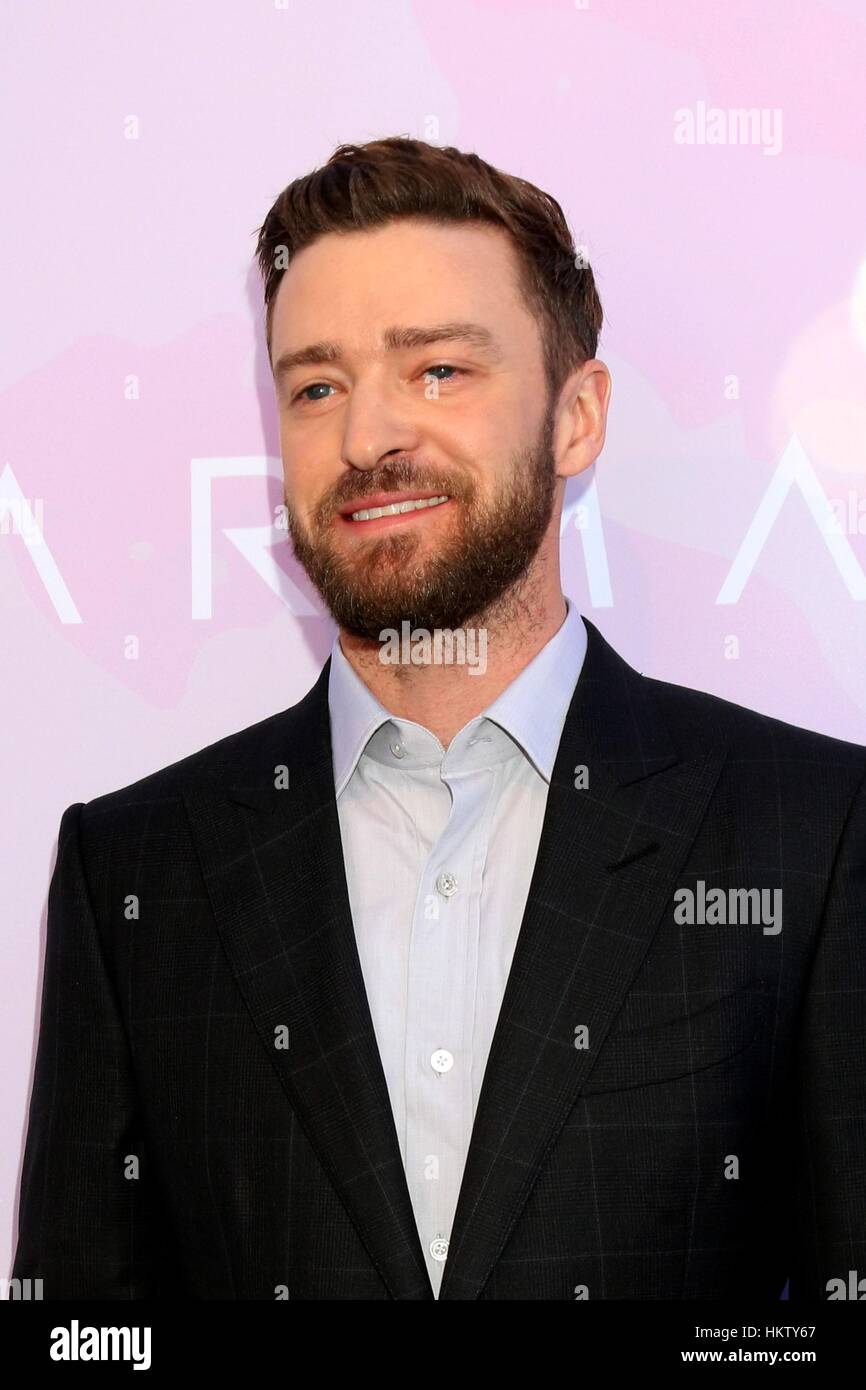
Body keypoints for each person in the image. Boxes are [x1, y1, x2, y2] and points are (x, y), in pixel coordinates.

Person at [13, 137, 866, 1300]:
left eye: (437, 372)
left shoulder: (808, 832)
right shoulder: (138, 870)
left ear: (576, 418)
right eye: (316, 386)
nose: (366, 439)